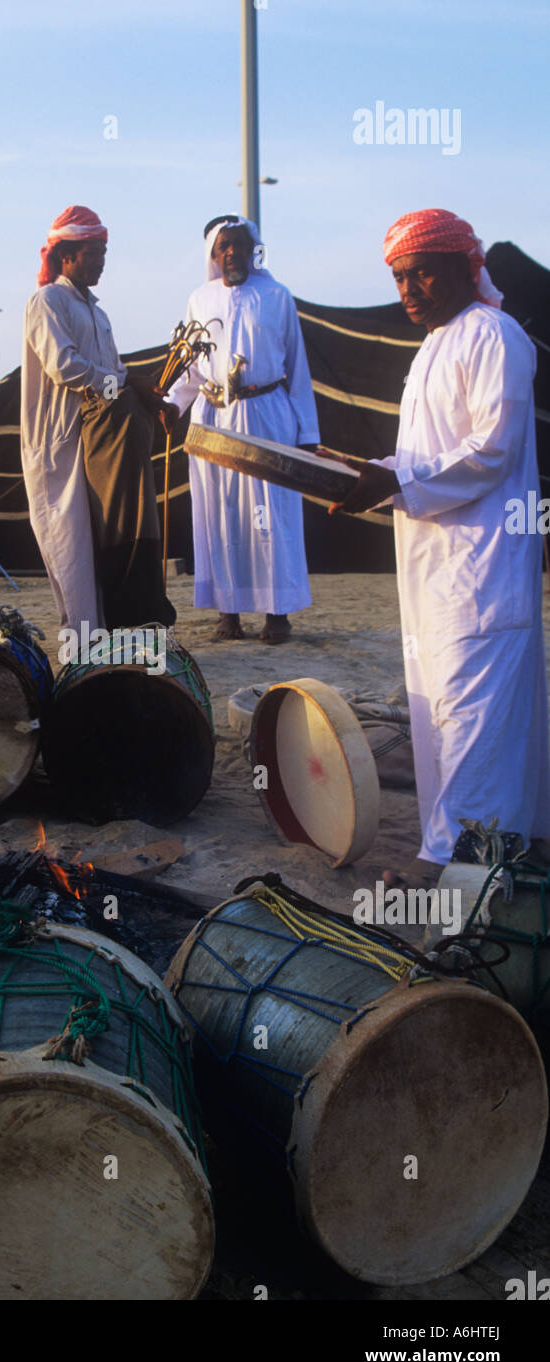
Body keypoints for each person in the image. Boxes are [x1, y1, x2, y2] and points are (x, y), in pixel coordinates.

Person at [330, 207, 550, 887]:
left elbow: (489, 451)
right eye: (399, 278)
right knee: (444, 710)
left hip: (481, 569)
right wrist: (363, 474)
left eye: (421, 272)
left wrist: (392, 479)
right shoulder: (433, 346)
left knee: (470, 716)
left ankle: (450, 865)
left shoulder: (496, 334)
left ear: (464, 265)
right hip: (436, 570)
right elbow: (423, 457)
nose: (409, 290)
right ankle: (506, 853)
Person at [164, 216, 320, 643]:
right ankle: (228, 613)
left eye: (239, 245)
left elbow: (298, 367)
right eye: (223, 247)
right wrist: (173, 405)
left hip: (266, 415)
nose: (231, 253)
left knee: (271, 514)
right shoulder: (200, 299)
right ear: (214, 256)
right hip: (213, 416)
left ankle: (277, 614)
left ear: (254, 250)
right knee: (221, 513)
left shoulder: (276, 296)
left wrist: (308, 434)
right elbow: (190, 366)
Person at [21, 205, 174, 633]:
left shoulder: (99, 315)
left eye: (104, 253)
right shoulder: (47, 300)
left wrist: (144, 393)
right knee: (71, 552)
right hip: (59, 443)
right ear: (66, 255)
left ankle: (119, 639)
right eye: (93, 253)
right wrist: (125, 386)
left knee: (108, 542)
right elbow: (66, 368)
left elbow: (112, 375)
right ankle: (82, 654)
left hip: (100, 442)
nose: (101, 262)